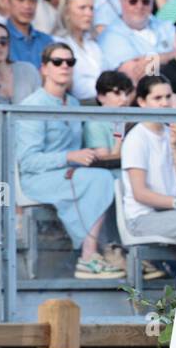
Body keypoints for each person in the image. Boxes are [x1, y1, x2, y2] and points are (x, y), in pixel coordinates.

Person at [15, 42, 123, 281]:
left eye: (70, 62)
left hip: (70, 175)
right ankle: (87, 256)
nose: (65, 66)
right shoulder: (32, 105)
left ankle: (119, 251)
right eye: (57, 62)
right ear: (44, 68)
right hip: (38, 179)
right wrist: (69, 156)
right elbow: (27, 161)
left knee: (116, 177)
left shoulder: (73, 104)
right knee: (100, 179)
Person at [120, 74, 176, 245]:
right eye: (157, 98)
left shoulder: (175, 133)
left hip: (173, 213)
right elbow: (140, 193)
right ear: (142, 102)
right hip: (142, 218)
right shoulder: (136, 138)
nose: (164, 103)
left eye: (168, 97)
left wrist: (175, 147)